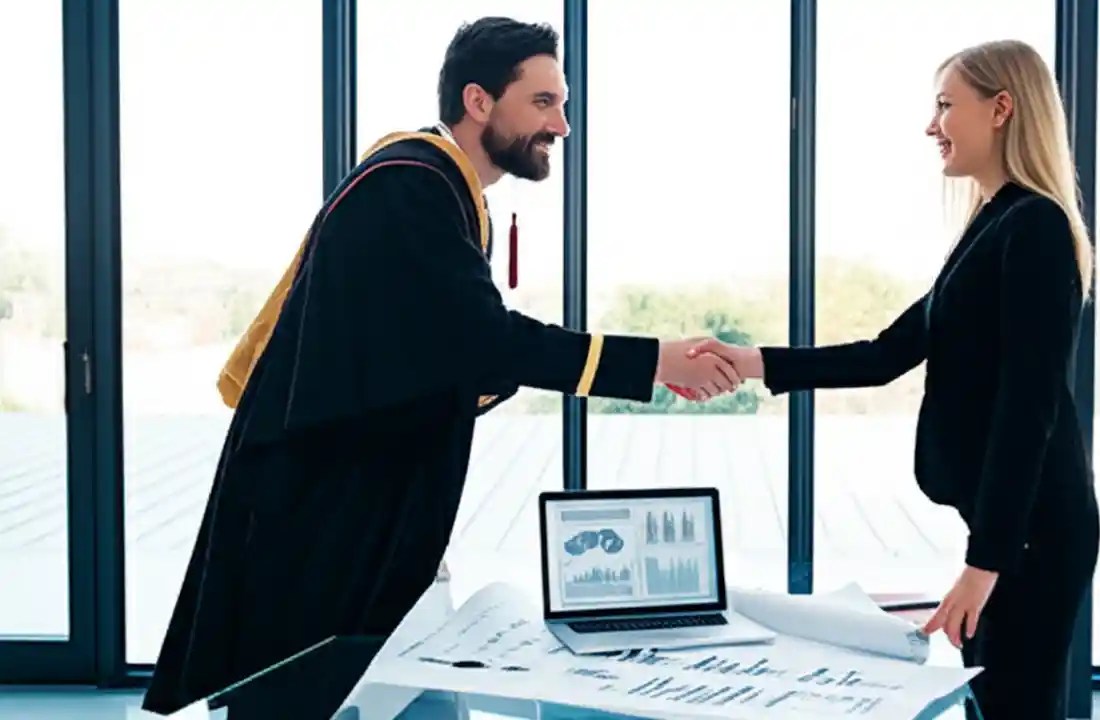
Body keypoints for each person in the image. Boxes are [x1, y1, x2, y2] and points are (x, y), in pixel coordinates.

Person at [141, 17, 743, 715]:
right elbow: (479, 340)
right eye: (543, 102)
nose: (562, 126)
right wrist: (654, 361)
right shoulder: (410, 186)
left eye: (562, 104)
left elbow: (435, 353)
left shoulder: (431, 189)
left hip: (347, 500)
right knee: (299, 690)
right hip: (321, 514)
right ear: (478, 100)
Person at [690, 40, 1100, 720]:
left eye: (945, 106)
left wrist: (985, 565)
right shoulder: (996, 222)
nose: (932, 125)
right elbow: (885, 354)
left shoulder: (1035, 227)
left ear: (1001, 109)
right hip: (1016, 530)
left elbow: (1028, 409)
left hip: (1034, 535)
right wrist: (751, 361)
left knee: (1016, 707)